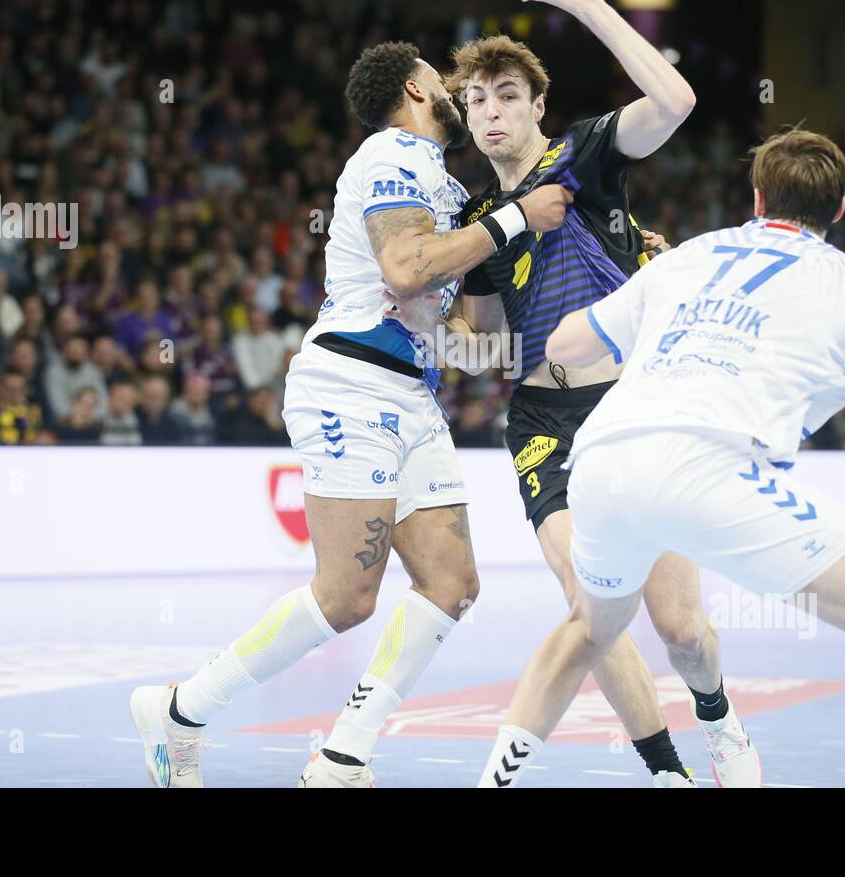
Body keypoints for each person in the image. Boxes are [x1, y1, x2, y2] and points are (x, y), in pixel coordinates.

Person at [477, 127, 845, 789]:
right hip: (716, 470)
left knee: (589, 630)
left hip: (601, 460)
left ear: (758, 197)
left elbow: (562, 344)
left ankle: (493, 782)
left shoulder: (688, 258)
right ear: (843, 209)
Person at [129, 40, 571, 788]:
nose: (461, 91)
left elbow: (472, 346)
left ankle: (343, 754)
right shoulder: (388, 155)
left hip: (413, 394)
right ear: (414, 88)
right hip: (352, 385)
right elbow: (403, 269)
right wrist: (514, 220)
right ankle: (178, 712)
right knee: (346, 597)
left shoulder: (449, 190)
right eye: (444, 78)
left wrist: (547, 283)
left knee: (452, 583)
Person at [407, 0, 750, 786]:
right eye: (475, 99)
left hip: (635, 412)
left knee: (683, 631)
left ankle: (719, 717)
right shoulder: (482, 218)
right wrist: (429, 309)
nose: (490, 112)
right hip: (544, 423)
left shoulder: (586, 154)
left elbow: (675, 98)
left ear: (537, 105)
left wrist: (587, 6)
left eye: (508, 95)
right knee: (591, 614)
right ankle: (667, 773)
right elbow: (482, 344)